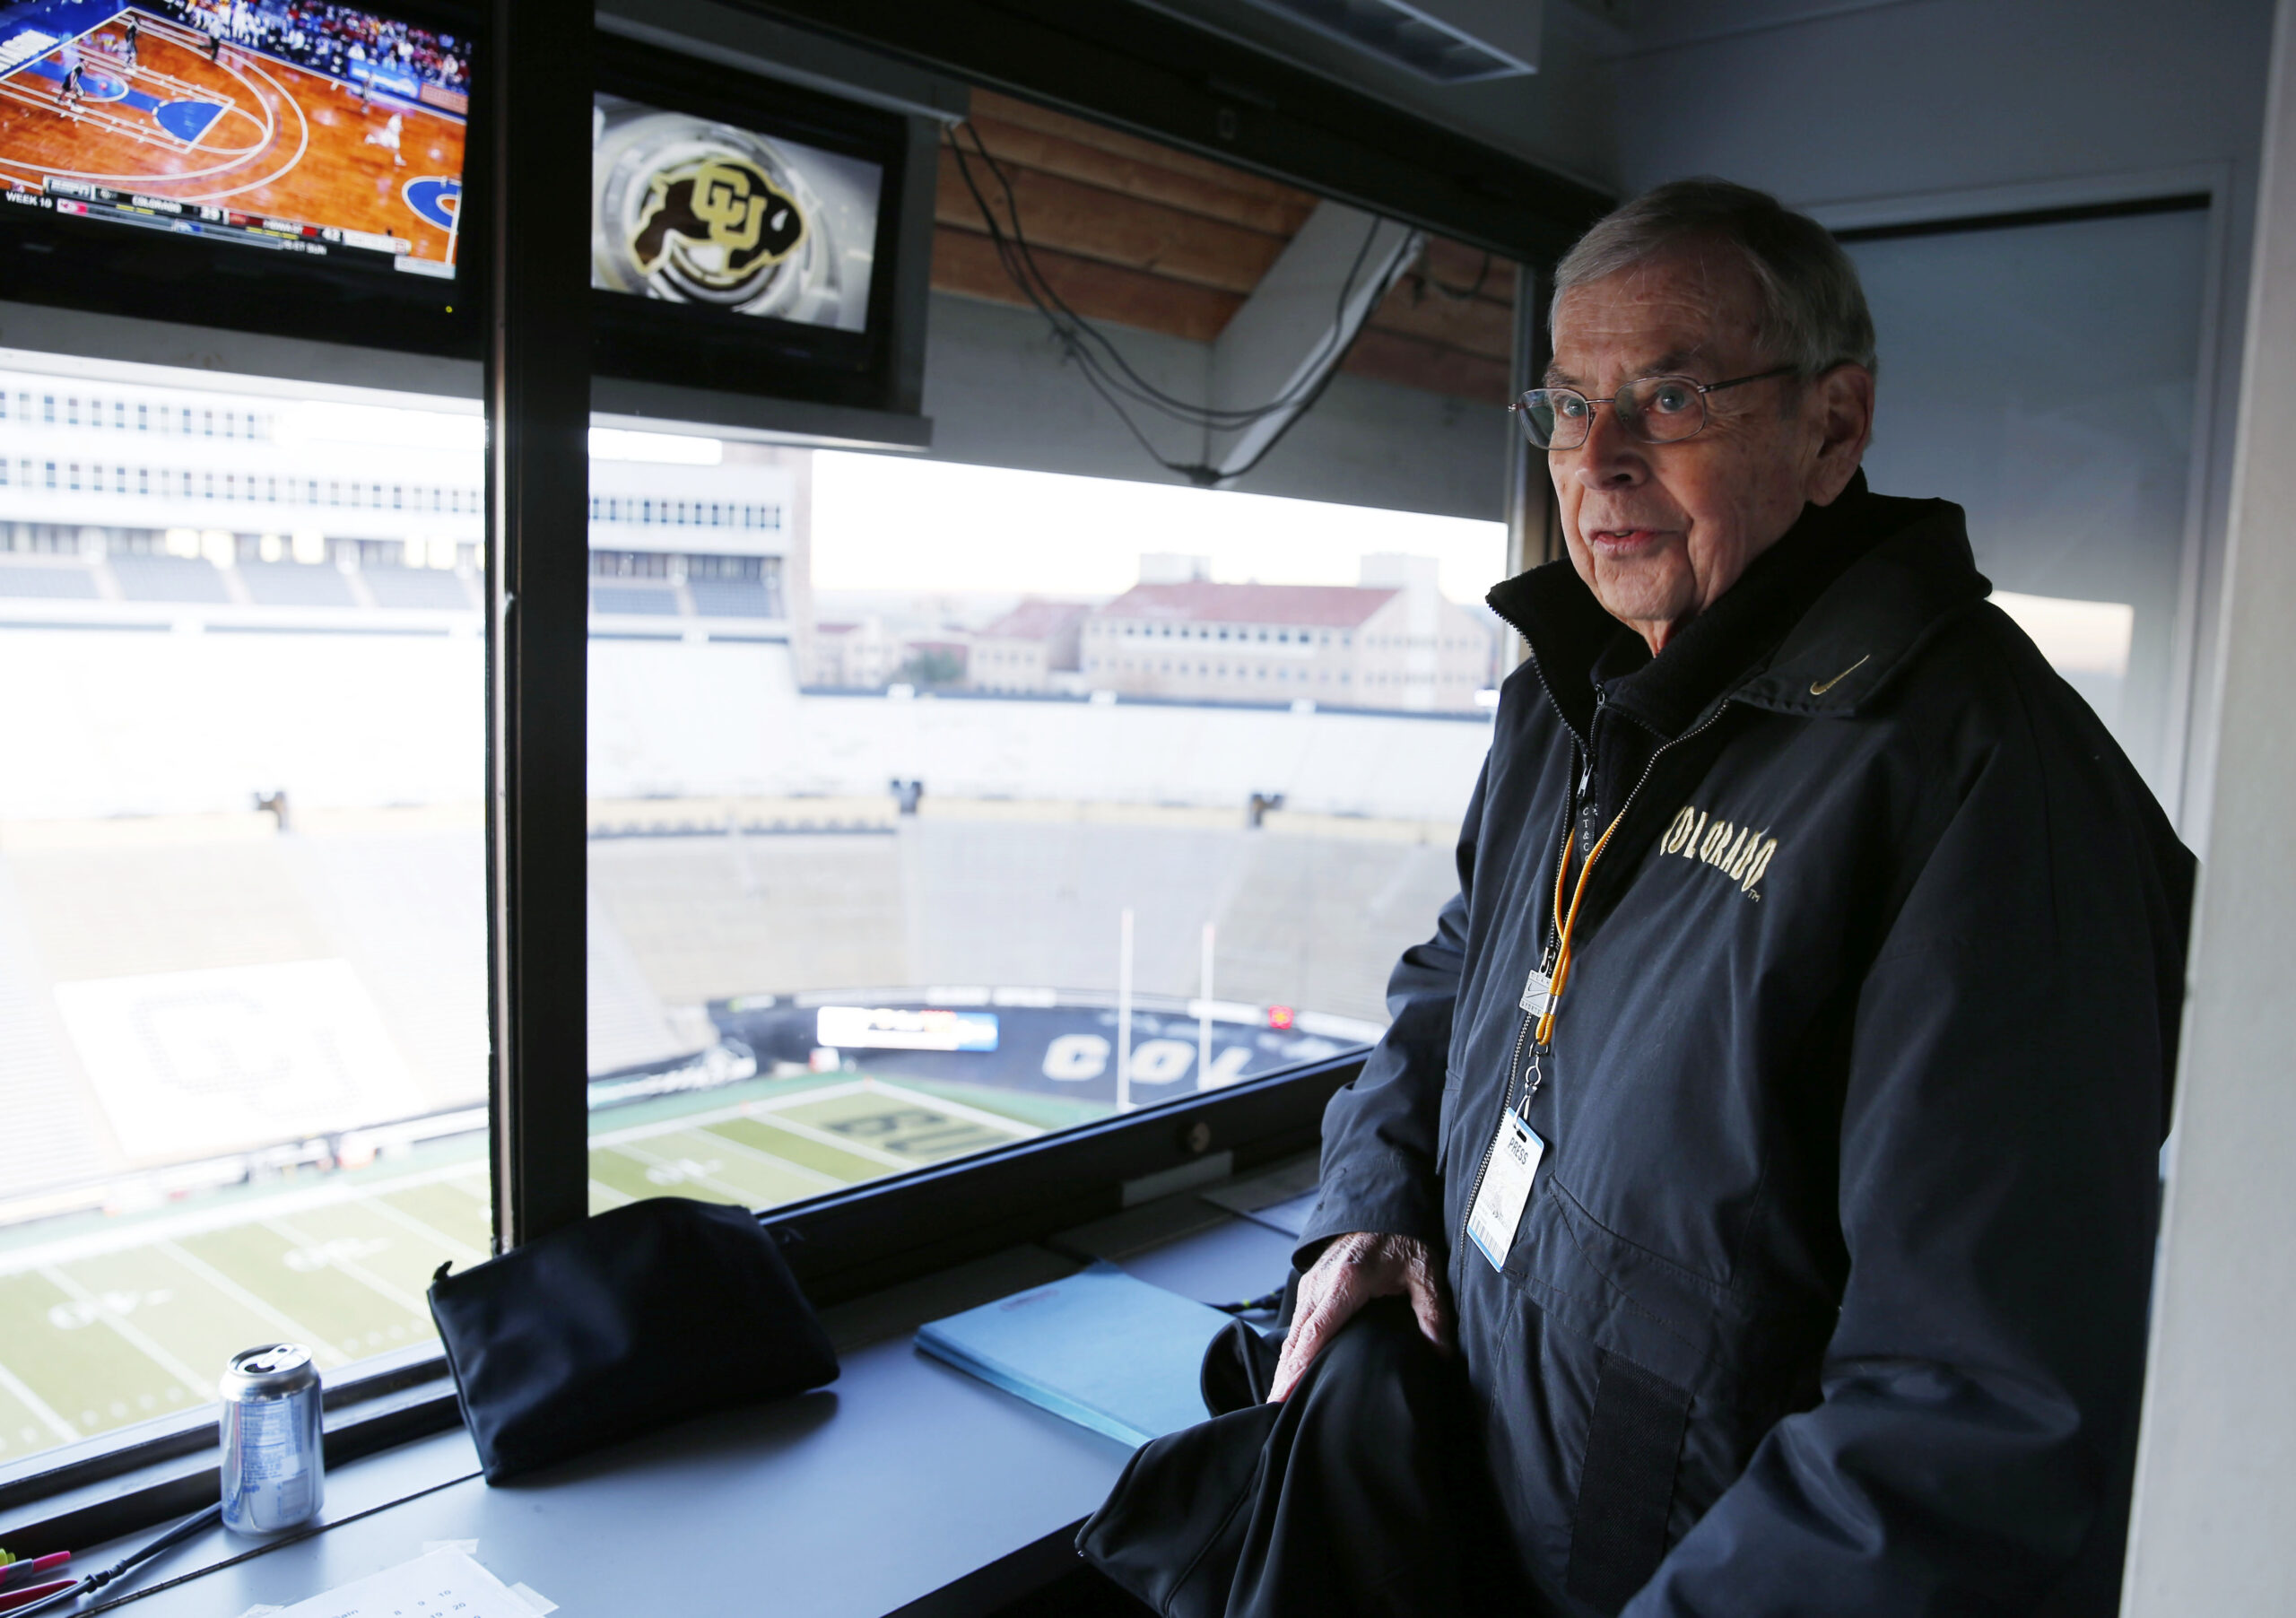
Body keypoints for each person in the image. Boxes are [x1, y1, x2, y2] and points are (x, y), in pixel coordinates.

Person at [1274, 178, 2194, 1615]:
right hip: (1510, 1528)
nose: (1603, 461)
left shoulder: (1982, 786)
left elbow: (1972, 1418)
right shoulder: (1567, 698)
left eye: (1675, 395)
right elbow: (1465, 972)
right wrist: (1376, 1202)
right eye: (1571, 405)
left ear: (1833, 428)